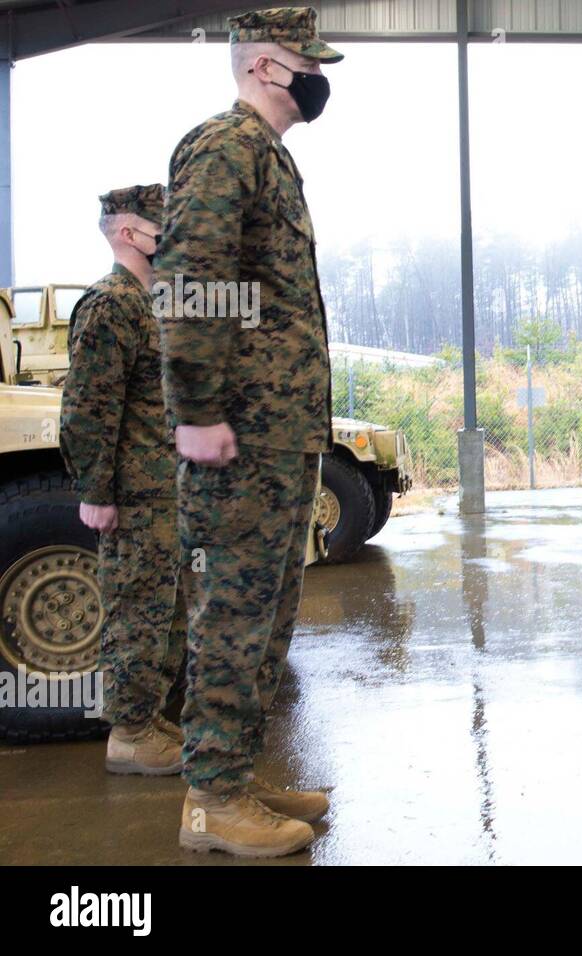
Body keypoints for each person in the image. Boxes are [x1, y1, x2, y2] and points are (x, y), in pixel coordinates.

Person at [156, 6, 342, 857]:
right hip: (238, 441)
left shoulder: (268, 157)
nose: (319, 76)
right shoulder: (225, 147)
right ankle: (211, 804)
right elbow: (192, 280)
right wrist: (195, 412)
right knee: (231, 616)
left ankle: (234, 776)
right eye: (308, 61)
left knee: (264, 619)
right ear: (266, 66)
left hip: (276, 440)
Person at [60, 184, 185, 775]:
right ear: (130, 234)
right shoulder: (110, 304)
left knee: (163, 613)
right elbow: (88, 408)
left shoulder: (151, 300)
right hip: (134, 497)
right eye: (165, 226)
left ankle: (150, 716)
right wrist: (95, 493)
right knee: (136, 612)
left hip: (164, 492)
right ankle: (130, 734)